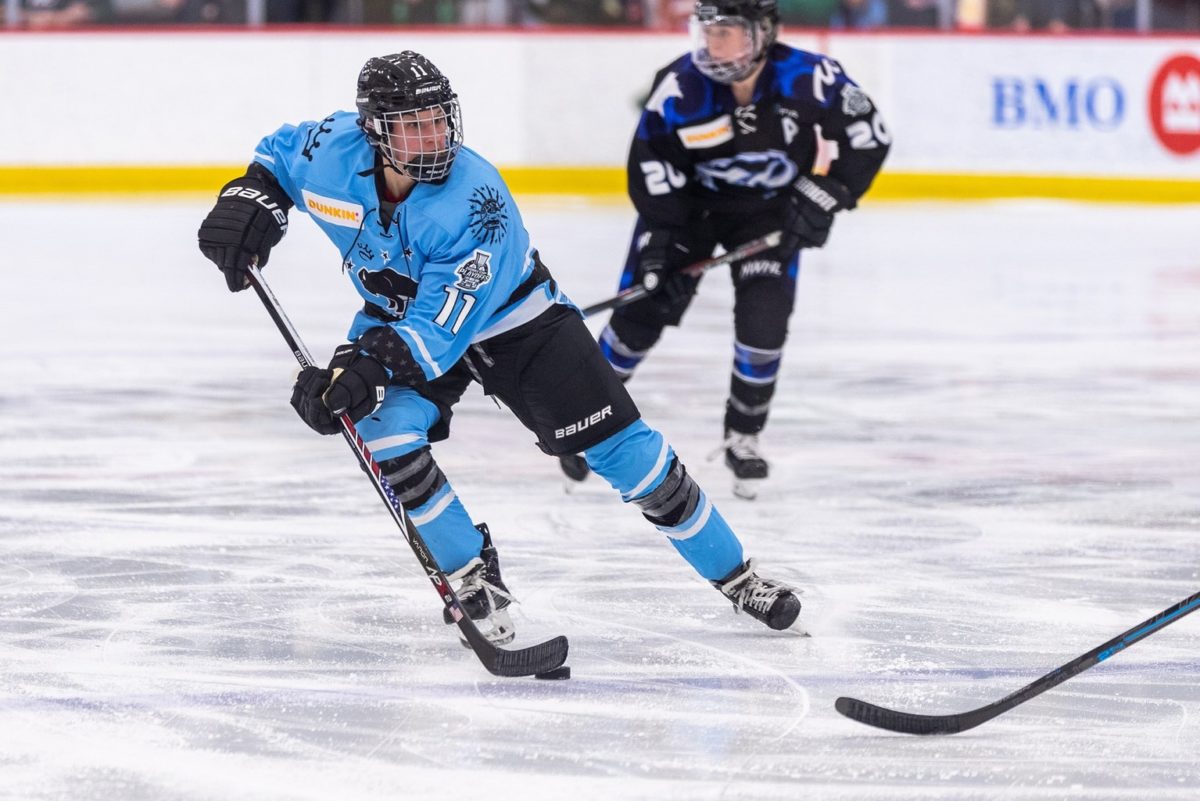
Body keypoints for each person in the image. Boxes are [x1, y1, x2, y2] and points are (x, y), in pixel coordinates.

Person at [196, 51, 803, 646]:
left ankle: (738, 576)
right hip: (399, 318)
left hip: (517, 325)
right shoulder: (330, 149)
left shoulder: (475, 198)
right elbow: (277, 156)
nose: (435, 137)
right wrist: (254, 200)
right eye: (414, 125)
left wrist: (364, 367)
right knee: (380, 436)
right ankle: (473, 578)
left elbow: (442, 327)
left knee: (627, 456)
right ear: (374, 129)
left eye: (440, 119)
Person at [560, 0, 889, 499]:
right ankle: (583, 416)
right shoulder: (678, 86)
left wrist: (826, 193)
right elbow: (651, 166)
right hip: (689, 213)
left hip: (767, 214)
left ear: (761, 34)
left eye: (728, 32)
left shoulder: (812, 77)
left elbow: (869, 138)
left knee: (764, 317)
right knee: (642, 311)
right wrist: (660, 244)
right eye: (708, 31)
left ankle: (744, 435)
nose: (714, 44)